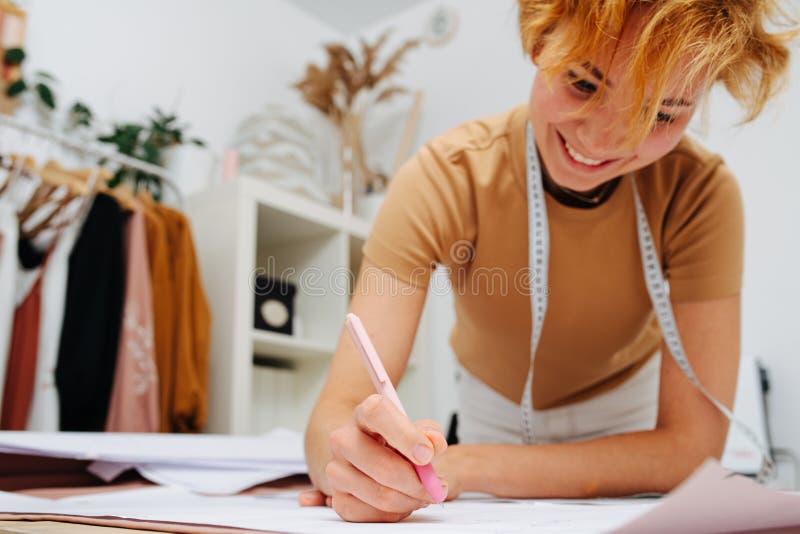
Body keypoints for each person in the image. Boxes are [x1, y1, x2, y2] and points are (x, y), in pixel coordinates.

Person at [300, 0, 797, 523]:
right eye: (584, 83)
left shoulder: (700, 195)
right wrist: (354, 465)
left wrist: (466, 466)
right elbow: (333, 416)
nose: (603, 140)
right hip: (489, 424)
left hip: (631, 436)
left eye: (662, 113)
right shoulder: (443, 177)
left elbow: (689, 448)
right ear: (540, 42)